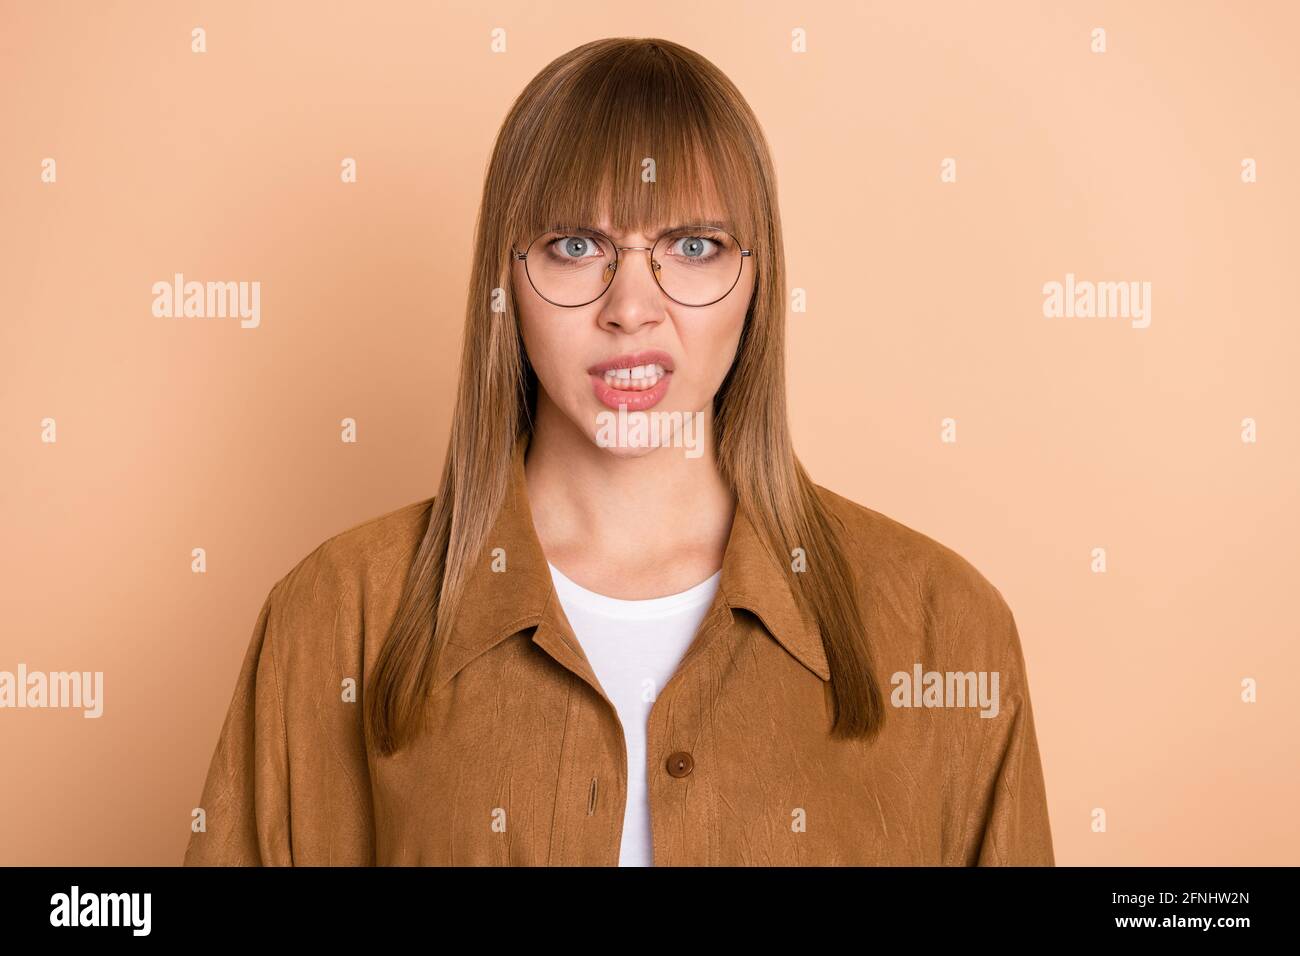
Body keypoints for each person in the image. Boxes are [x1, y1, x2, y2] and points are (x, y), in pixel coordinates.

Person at [184, 36, 1053, 867]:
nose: (631, 306)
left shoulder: (948, 631)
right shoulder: (336, 618)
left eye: (693, 246)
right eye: (576, 246)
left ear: (758, 280)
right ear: (505, 278)